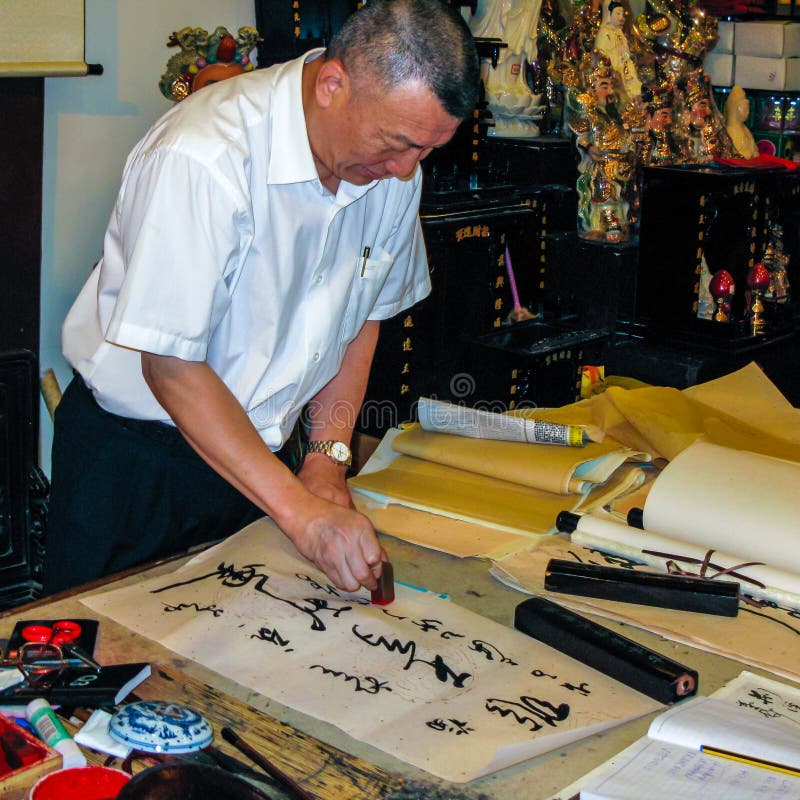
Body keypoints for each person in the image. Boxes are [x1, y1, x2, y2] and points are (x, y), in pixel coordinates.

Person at [43, 0, 480, 596]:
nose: (405, 171)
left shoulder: (389, 173)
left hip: (259, 471)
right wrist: (301, 514)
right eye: (396, 142)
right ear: (333, 84)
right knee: (100, 671)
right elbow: (170, 366)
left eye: (426, 152)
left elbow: (362, 319)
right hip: (136, 469)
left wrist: (326, 464)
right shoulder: (203, 156)